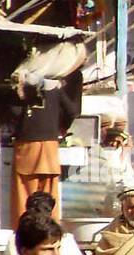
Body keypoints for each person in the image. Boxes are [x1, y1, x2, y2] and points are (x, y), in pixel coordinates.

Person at [10, 64, 82, 223]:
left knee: (23, 194)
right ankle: (51, 229)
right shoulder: (55, 90)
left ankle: (24, 232)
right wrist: (61, 127)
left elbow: (12, 113)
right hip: (49, 146)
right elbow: (72, 111)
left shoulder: (20, 90)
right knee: (50, 194)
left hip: (26, 146)